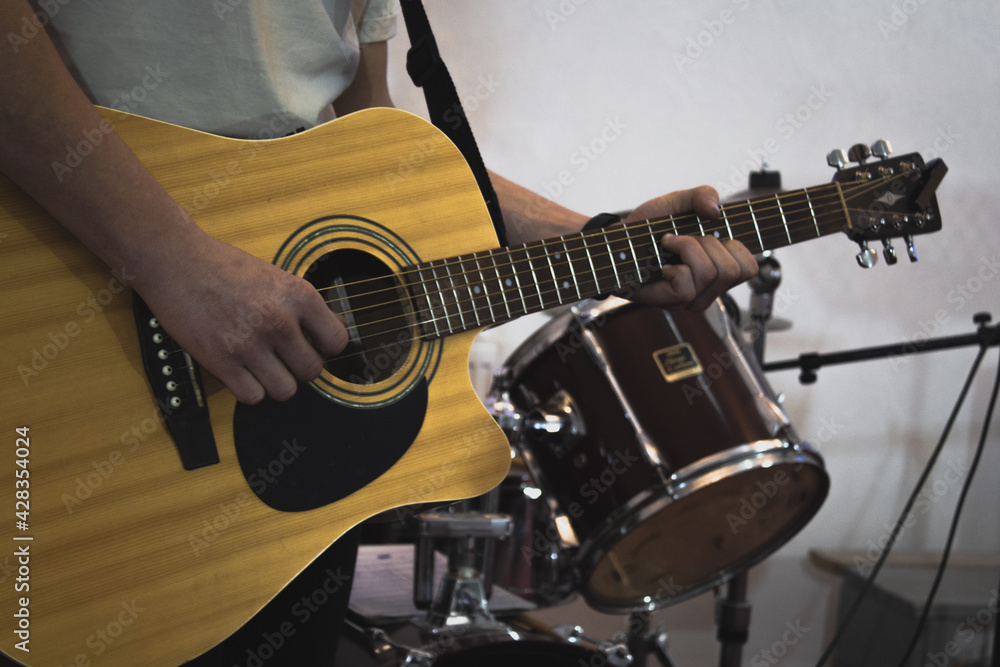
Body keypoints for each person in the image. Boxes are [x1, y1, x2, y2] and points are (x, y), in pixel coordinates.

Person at [0, 1, 758, 663]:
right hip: (64, 300)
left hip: (288, 482)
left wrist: (600, 236)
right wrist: (171, 262)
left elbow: (373, 160)